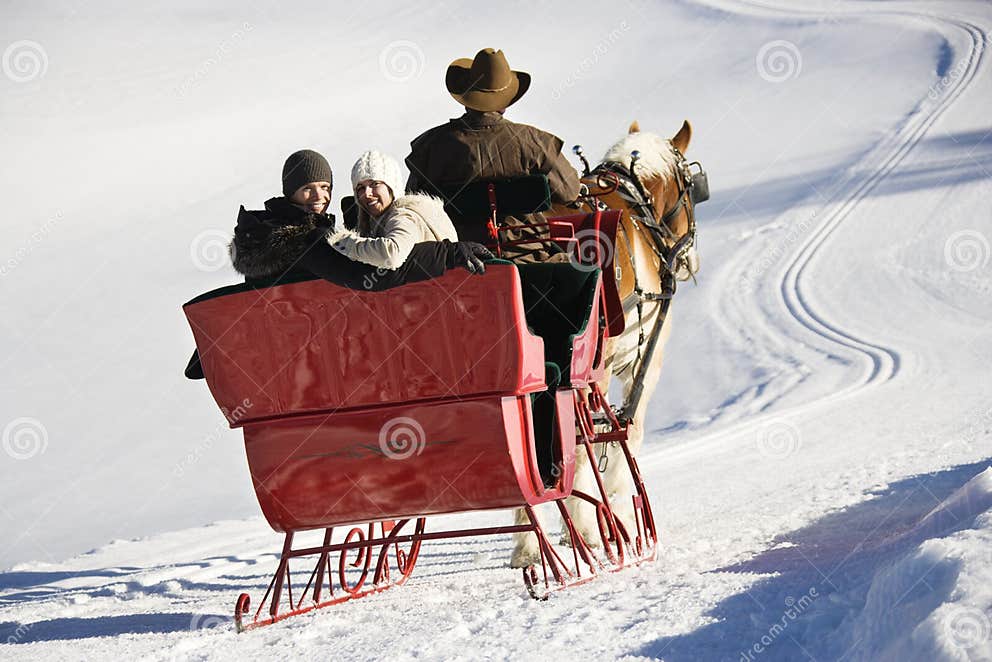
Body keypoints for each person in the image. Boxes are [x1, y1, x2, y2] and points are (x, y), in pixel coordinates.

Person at [404, 48, 581, 262]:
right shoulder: (535, 143)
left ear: (465, 96)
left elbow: (412, 201)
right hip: (527, 256)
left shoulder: (430, 147)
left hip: (457, 259)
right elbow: (570, 191)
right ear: (505, 102)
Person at [228, 149, 491, 290]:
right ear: (290, 192)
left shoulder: (269, 229)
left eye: (325, 187)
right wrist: (446, 254)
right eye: (307, 188)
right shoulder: (301, 238)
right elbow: (372, 275)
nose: (319, 196)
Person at [326, 150, 457, 269]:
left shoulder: (404, 215)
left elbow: (392, 255)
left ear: (392, 186)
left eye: (375, 184)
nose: (366, 193)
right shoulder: (379, 222)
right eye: (360, 188)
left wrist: (344, 242)